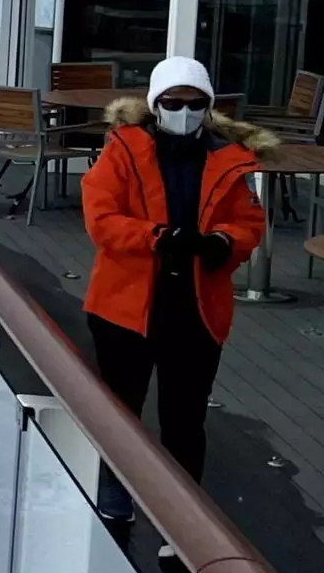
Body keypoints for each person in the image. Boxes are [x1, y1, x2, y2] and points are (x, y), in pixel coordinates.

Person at [80, 55, 272, 515]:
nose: (182, 112)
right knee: (120, 412)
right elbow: (101, 218)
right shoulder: (122, 151)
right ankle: (115, 489)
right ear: (155, 103)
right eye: (172, 102)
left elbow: (249, 221)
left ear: (207, 106)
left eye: (193, 103)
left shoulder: (230, 158)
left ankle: (183, 515)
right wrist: (157, 238)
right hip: (124, 309)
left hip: (196, 308)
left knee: (185, 420)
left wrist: (223, 244)